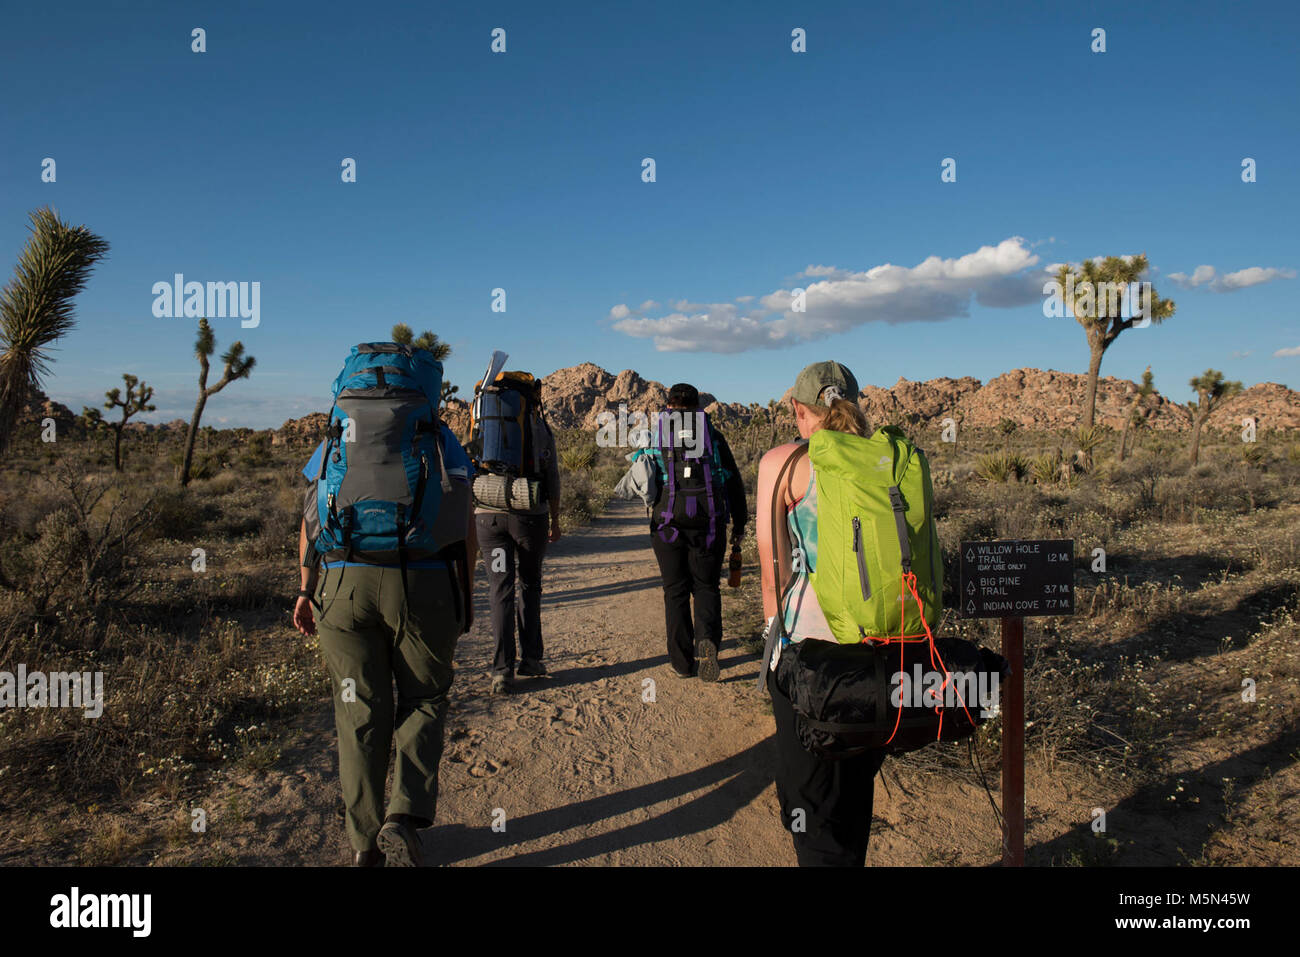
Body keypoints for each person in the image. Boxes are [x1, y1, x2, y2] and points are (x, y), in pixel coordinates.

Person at [292, 343, 475, 867]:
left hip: (341, 585)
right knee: (425, 697)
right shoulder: (439, 437)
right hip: (420, 583)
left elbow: (308, 522)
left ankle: (363, 844)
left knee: (358, 712)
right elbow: (463, 525)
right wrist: (463, 594)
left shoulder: (336, 435)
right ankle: (404, 815)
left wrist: (305, 590)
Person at [756, 360, 887, 866]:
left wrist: (776, 645)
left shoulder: (783, 463)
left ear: (797, 408)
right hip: (881, 649)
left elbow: (774, 572)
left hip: (811, 655)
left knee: (808, 794)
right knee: (855, 779)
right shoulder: (886, 458)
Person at [646, 383, 748, 681]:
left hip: (667, 524)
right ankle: (708, 647)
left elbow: (645, 481)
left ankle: (681, 662)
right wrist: (739, 524)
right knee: (706, 587)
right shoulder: (713, 437)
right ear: (698, 406)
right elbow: (733, 482)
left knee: (674, 591)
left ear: (669, 404)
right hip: (710, 523)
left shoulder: (657, 436)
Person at [471, 370, 562, 695]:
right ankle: (532, 660)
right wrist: (555, 517)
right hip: (528, 519)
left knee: (500, 589)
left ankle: (501, 671)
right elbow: (551, 475)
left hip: (489, 519)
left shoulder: (484, 419)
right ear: (530, 396)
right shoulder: (537, 426)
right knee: (530, 585)